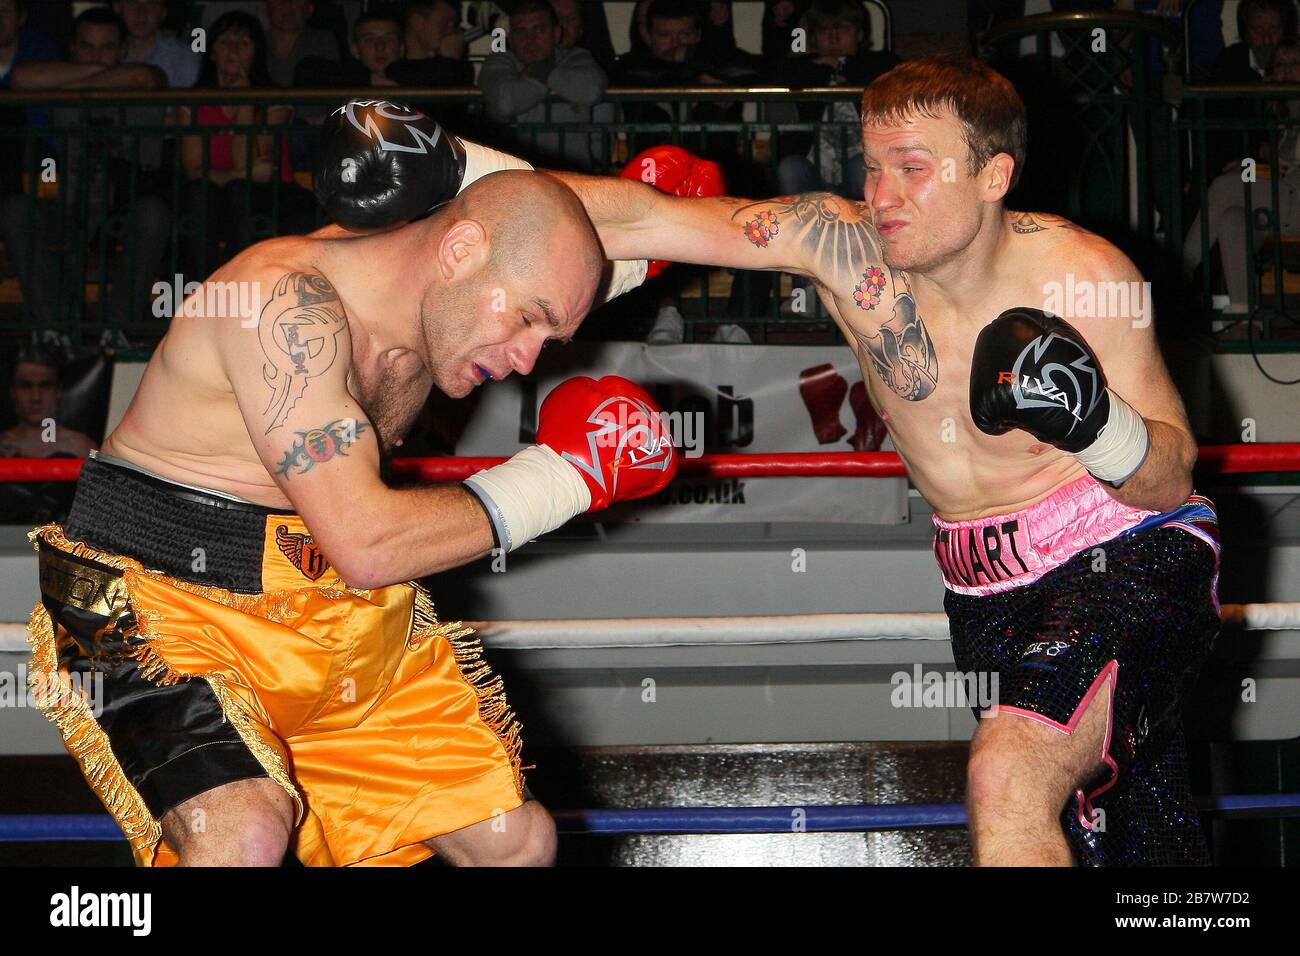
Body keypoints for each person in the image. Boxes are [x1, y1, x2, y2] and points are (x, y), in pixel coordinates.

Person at [539, 55, 1218, 865]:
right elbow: (644, 219)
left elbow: (1172, 474)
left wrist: (1098, 424)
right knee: (1125, 838)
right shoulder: (840, 247)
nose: (883, 194)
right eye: (871, 167)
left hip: (1130, 554)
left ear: (993, 173)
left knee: (1009, 774)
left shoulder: (1084, 276)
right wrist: (455, 179)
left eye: (913, 169)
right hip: (985, 593)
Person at [28, 104, 674, 867]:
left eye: (549, 333)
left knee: (514, 842)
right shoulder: (285, 303)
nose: (531, 362)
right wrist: (568, 474)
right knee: (241, 834)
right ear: (459, 248)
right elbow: (369, 543)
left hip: (331, 604)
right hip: (154, 599)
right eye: (529, 321)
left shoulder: (442, 317)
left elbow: (731, 234)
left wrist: (654, 236)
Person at [2, 6, 171, 331]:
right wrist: (92, 78)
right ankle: (52, 330)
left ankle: (117, 329)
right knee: (15, 209)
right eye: (87, 47)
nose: (96, 56)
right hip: (65, 205)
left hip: (122, 206)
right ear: (73, 48)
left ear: (122, 50)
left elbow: (145, 78)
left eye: (106, 47)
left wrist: (77, 82)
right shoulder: (59, 79)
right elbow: (21, 79)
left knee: (153, 214)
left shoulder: (143, 78)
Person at [176, 11, 315, 277]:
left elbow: (253, 170)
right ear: (212, 52)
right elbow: (195, 170)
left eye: (243, 44)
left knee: (240, 192)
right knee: (202, 194)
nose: (233, 50)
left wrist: (243, 100)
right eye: (225, 42)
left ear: (256, 53)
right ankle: (203, 296)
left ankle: (240, 295)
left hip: (269, 194)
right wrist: (243, 174)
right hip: (211, 194)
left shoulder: (275, 101)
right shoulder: (192, 102)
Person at [1184, 37, 1300, 315]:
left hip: (1295, 199)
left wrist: (1264, 157)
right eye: (1280, 65)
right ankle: (1243, 313)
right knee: (1232, 219)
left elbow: (1286, 162)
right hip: (1281, 201)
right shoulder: (1278, 117)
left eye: (1295, 64)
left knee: (1225, 186)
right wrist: (1247, 163)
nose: (1287, 70)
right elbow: (1273, 166)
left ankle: (1178, 273)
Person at [479, 0, 607, 169]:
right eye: (520, 32)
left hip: (572, 176)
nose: (530, 40)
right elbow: (506, 102)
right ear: (510, 37)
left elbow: (592, 90)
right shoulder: (498, 63)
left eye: (539, 30)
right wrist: (554, 80)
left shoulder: (576, 58)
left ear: (556, 33)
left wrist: (537, 73)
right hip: (516, 178)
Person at [114, 0, 201, 88]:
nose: (141, 13)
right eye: (132, 3)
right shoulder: (104, 55)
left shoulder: (185, 59)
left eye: (151, 3)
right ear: (118, 9)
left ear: (163, 13)